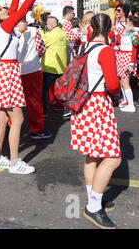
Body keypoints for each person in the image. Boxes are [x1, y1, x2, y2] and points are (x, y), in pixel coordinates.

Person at [0, 0, 49, 174]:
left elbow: (15, 9)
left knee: (3, 119)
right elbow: (21, 10)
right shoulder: (5, 26)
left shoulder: (5, 27)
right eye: (0, 9)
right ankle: (14, 161)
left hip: (6, 71)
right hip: (8, 72)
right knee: (19, 118)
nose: (4, 10)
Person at [70, 14, 121, 229]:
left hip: (83, 104)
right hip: (98, 105)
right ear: (109, 29)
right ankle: (93, 207)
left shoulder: (84, 48)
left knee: (92, 155)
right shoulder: (106, 50)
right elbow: (113, 85)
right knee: (113, 158)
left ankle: (95, 199)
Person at [16, 17, 52, 140]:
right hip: (32, 68)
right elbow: (41, 49)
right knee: (34, 101)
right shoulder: (33, 31)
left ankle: (13, 129)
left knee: (14, 101)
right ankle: (37, 130)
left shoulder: (8, 31)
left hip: (14, 69)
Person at [40, 16, 69, 117]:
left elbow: (44, 40)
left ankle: (44, 111)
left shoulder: (52, 34)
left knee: (44, 89)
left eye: (47, 25)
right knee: (62, 89)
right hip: (61, 66)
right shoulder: (62, 32)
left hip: (51, 66)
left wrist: (40, 31)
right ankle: (65, 108)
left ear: (51, 25)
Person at [112, 15, 138, 112]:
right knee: (122, 81)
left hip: (127, 59)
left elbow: (135, 47)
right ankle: (127, 102)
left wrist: (131, 64)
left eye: (127, 21)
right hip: (122, 57)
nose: (125, 23)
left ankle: (131, 105)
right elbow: (121, 42)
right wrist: (115, 32)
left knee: (125, 82)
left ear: (131, 23)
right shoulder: (127, 32)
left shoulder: (134, 33)